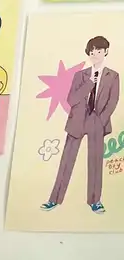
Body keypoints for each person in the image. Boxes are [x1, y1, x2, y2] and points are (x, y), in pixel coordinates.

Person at [41, 36, 120, 215]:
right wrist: (89, 83)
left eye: (98, 50)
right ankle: (54, 199)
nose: (95, 54)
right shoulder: (80, 75)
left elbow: (113, 100)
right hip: (77, 120)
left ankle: (95, 201)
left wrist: (101, 120)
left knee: (95, 162)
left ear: (106, 52)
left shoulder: (113, 76)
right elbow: (71, 99)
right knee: (67, 160)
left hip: (97, 121)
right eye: (91, 51)